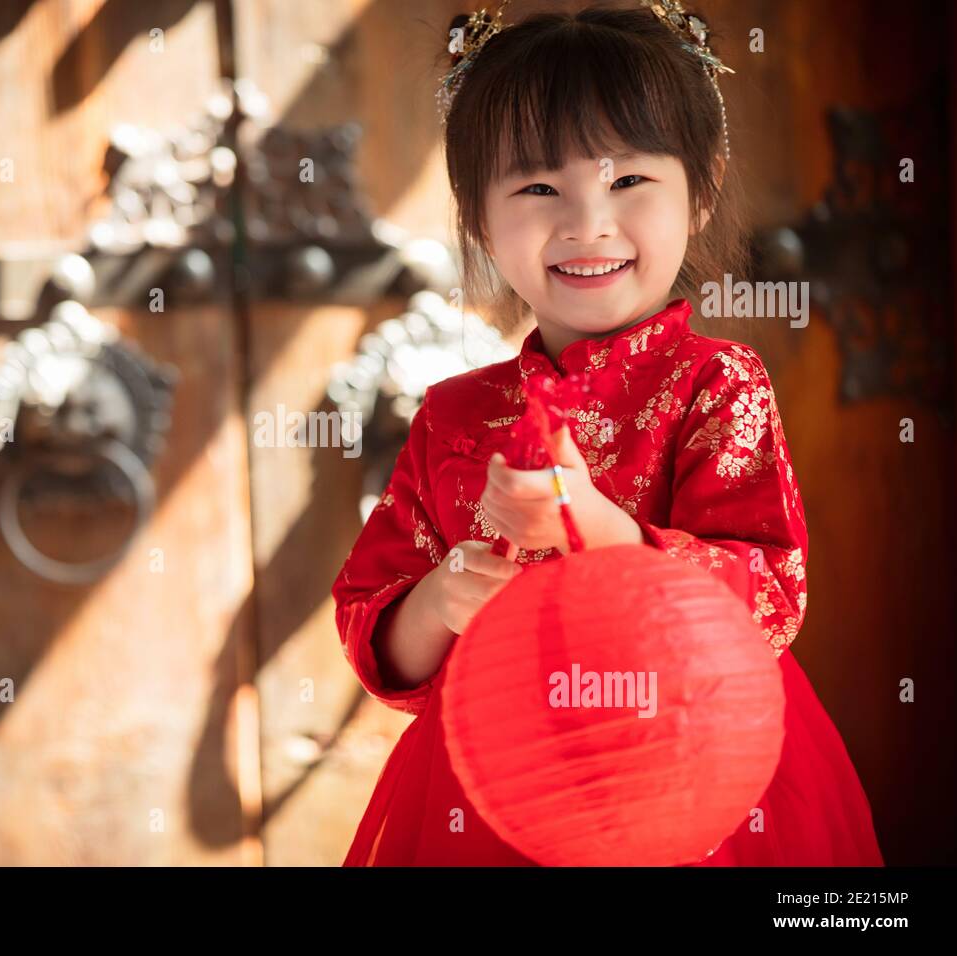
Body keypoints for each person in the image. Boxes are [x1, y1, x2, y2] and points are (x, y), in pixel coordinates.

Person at [331, 1, 884, 866]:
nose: (587, 223)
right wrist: (439, 600)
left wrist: (599, 530)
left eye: (629, 182)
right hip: (496, 777)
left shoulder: (716, 385)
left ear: (701, 191)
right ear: (477, 212)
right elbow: (377, 616)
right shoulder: (453, 414)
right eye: (538, 187)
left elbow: (767, 594)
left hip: (699, 764)